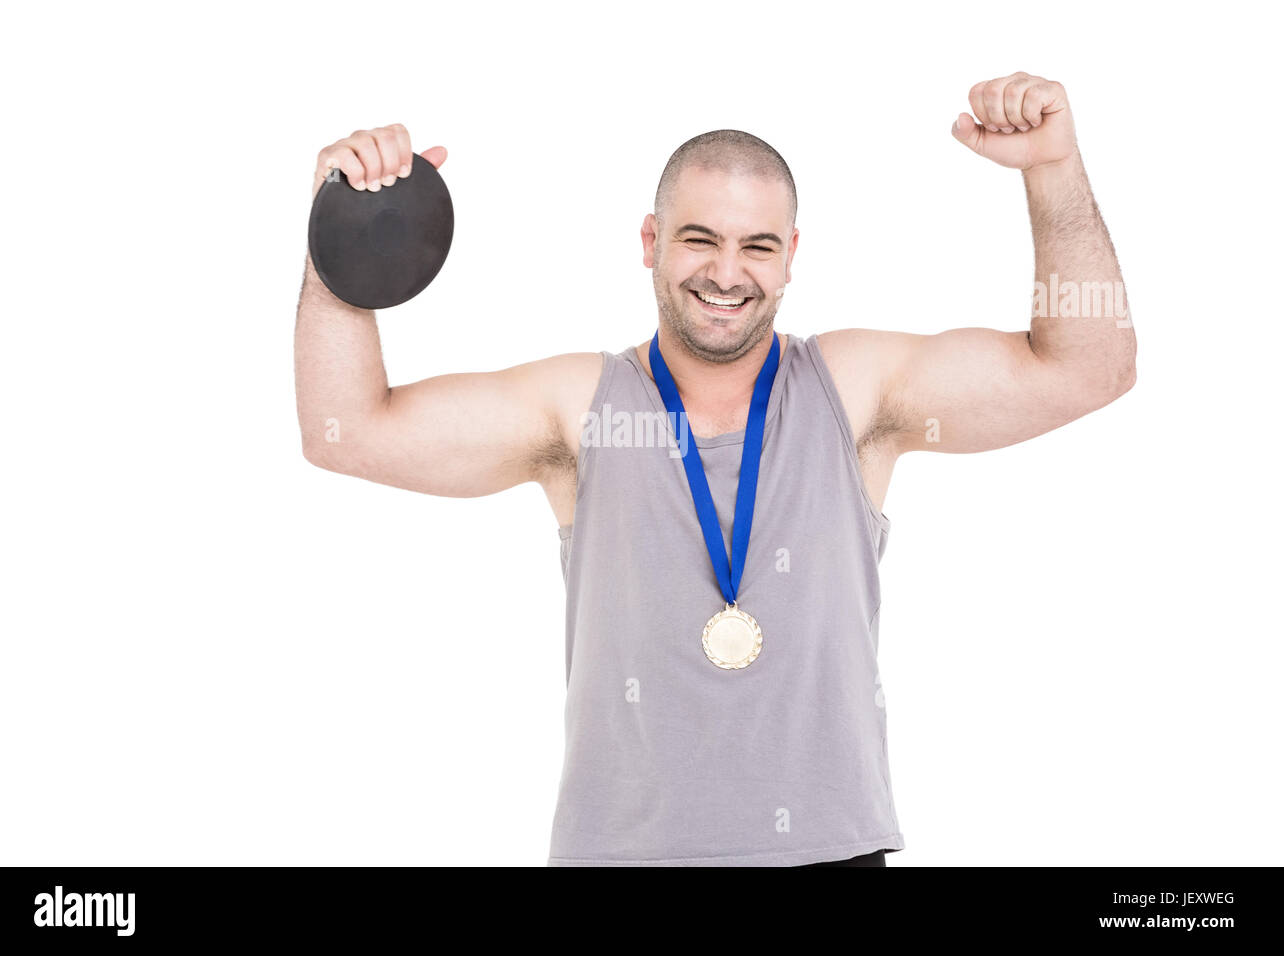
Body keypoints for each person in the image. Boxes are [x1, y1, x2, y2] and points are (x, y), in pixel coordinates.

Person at [295, 71, 1137, 867]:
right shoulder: (578, 407)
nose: (727, 274)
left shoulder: (856, 392)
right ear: (651, 241)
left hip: (827, 854)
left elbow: (1087, 369)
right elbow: (347, 431)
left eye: (757, 246)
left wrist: (1052, 170)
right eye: (700, 240)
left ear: (792, 254)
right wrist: (339, 238)